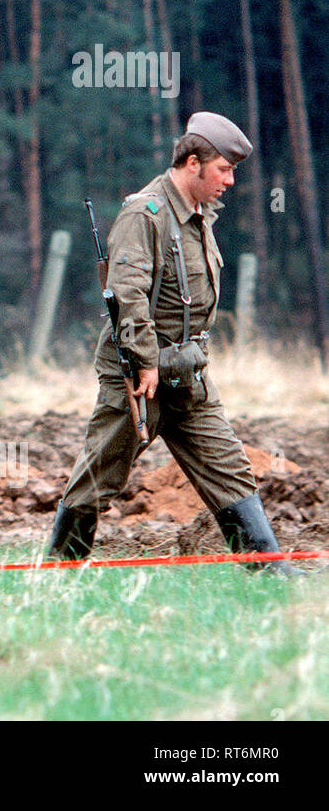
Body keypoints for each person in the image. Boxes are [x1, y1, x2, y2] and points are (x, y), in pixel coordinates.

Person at [49, 112, 296, 574]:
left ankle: (269, 570)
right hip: (141, 375)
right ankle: (57, 573)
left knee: (228, 467)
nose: (230, 180)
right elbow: (127, 294)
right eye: (223, 169)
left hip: (188, 371)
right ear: (190, 163)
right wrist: (144, 361)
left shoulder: (198, 216)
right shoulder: (146, 214)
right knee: (101, 474)